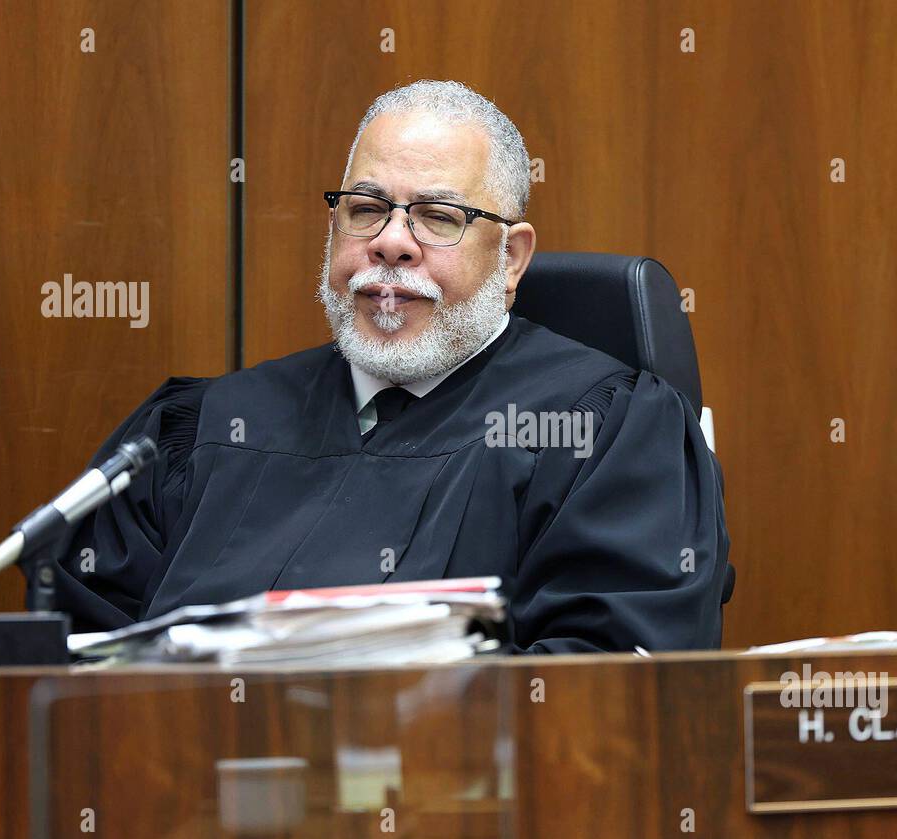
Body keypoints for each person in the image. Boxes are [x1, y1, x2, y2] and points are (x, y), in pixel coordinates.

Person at [38, 79, 730, 653]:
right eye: (366, 209)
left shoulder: (604, 433)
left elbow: (603, 689)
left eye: (437, 217)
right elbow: (73, 656)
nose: (392, 243)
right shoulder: (207, 428)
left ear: (511, 258)